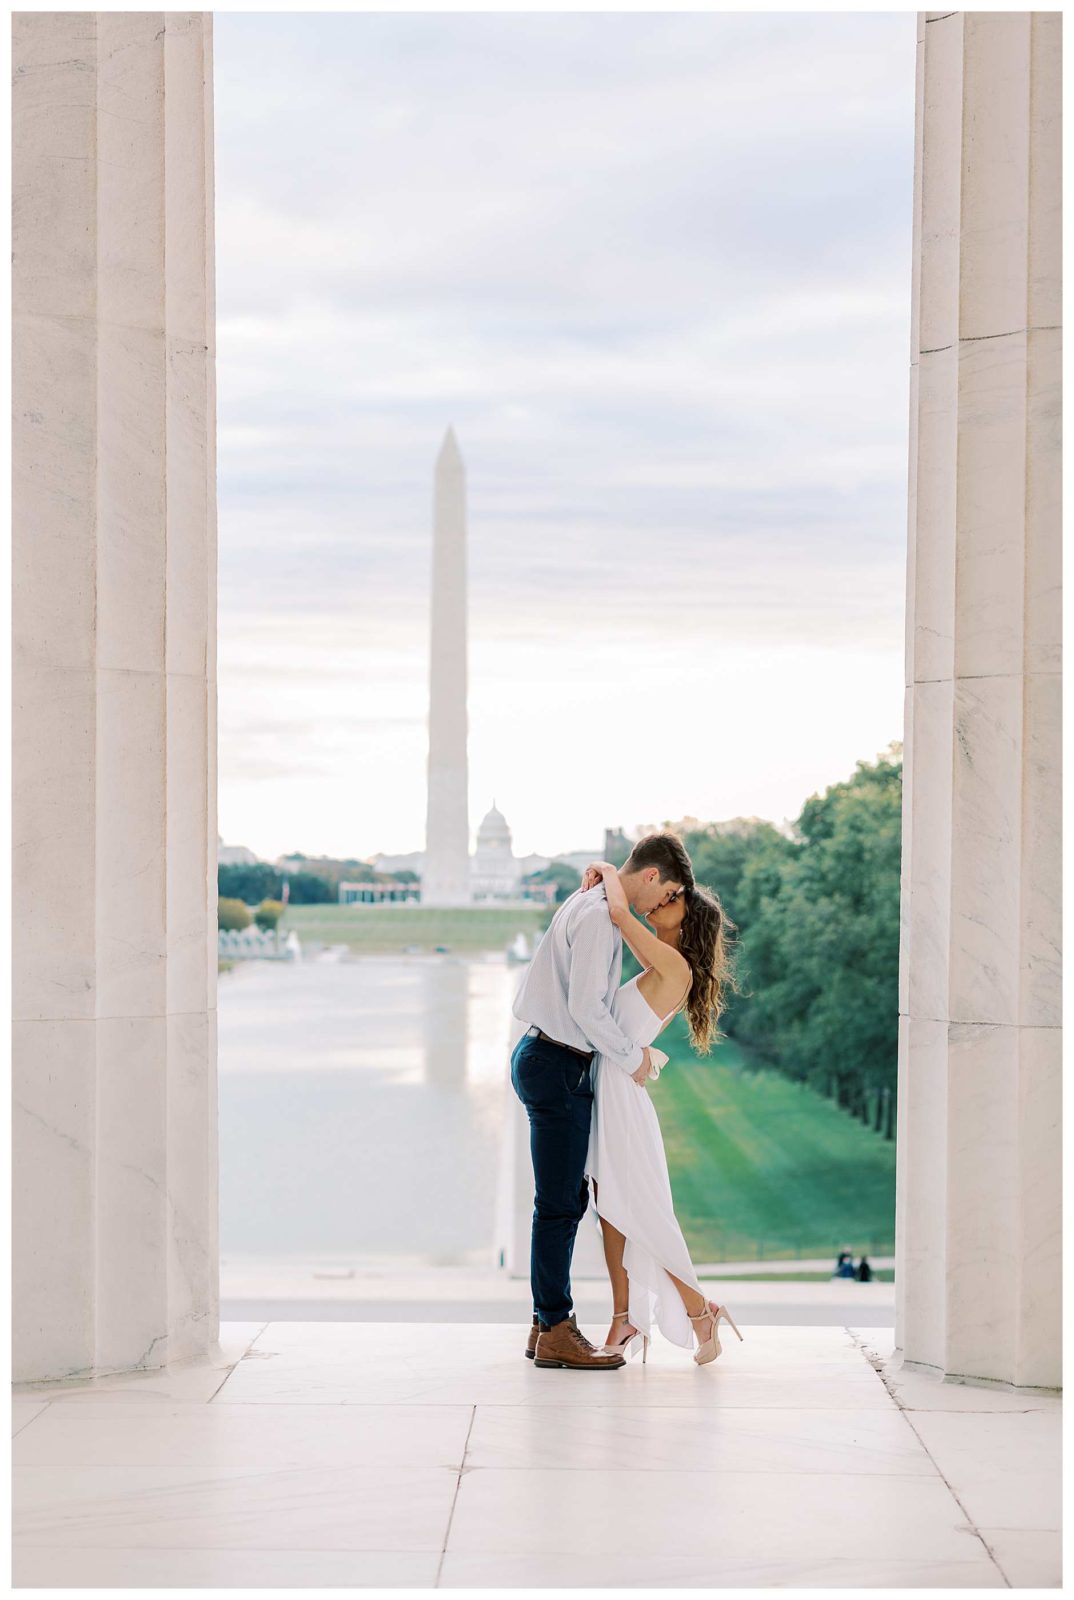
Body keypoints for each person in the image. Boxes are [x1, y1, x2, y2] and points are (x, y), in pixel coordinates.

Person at [510, 832, 692, 1370]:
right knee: (561, 1206)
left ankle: (545, 1323)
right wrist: (633, 1059)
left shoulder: (591, 901)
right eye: (669, 893)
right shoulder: (597, 917)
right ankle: (557, 1330)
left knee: (561, 1202)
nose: (663, 906)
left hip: (545, 1056)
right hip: (558, 1061)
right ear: (653, 875)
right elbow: (588, 1009)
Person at [578, 860, 744, 1365]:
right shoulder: (660, 964)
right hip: (613, 1088)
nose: (662, 901)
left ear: (686, 921)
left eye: (672, 900)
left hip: (622, 1099)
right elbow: (625, 922)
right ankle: (626, 1318)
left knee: (641, 1212)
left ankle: (699, 1310)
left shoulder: (676, 970)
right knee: (611, 1208)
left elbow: (621, 913)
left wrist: (609, 870)